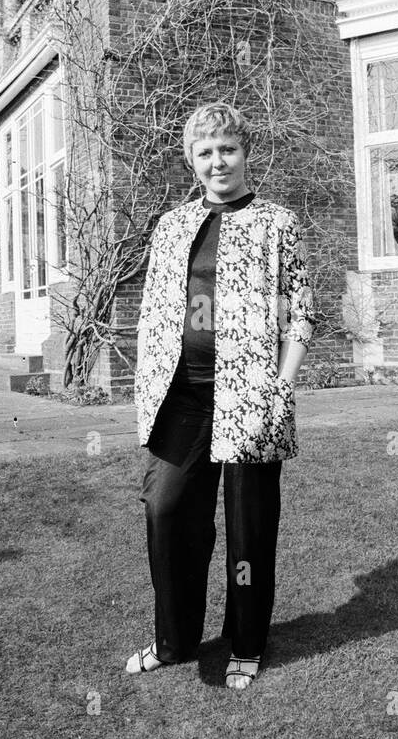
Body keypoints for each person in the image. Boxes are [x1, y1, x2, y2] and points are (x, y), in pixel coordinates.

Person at [127, 102, 315, 689]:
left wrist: (281, 387)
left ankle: (246, 643)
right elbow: (153, 313)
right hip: (182, 397)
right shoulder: (172, 226)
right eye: (205, 152)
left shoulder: (276, 223)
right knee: (166, 510)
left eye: (227, 149)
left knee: (248, 526)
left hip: (249, 397)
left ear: (245, 154)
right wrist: (147, 381)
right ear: (193, 161)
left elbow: (301, 314)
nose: (217, 162)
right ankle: (173, 640)